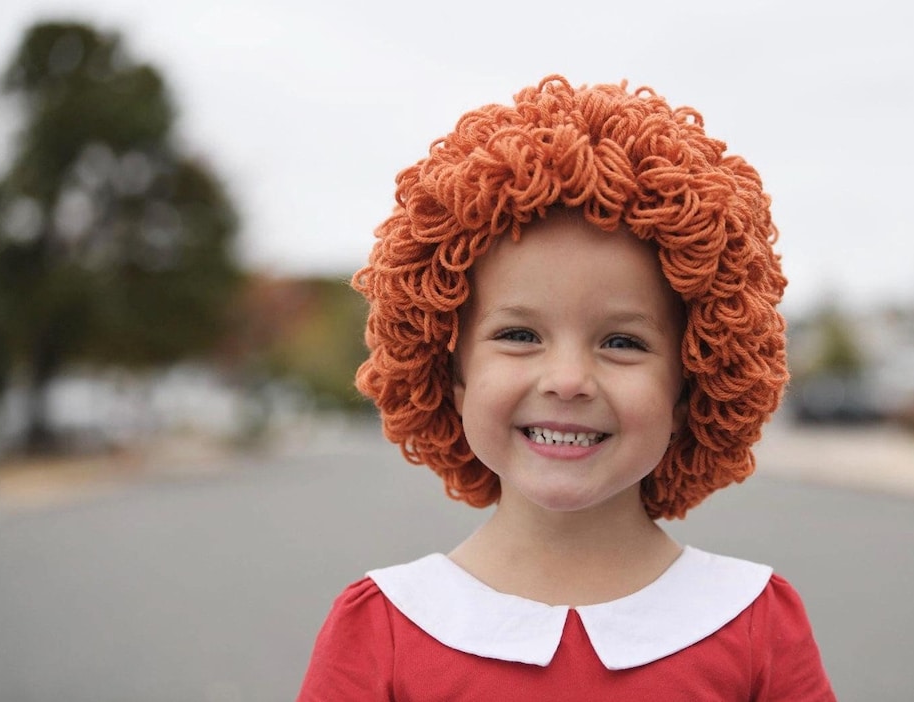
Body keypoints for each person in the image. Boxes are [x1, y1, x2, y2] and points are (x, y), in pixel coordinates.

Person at [297, 75, 836, 700]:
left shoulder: (752, 622)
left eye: (623, 342)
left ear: (692, 390)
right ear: (449, 377)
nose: (569, 380)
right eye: (520, 334)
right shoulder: (381, 627)